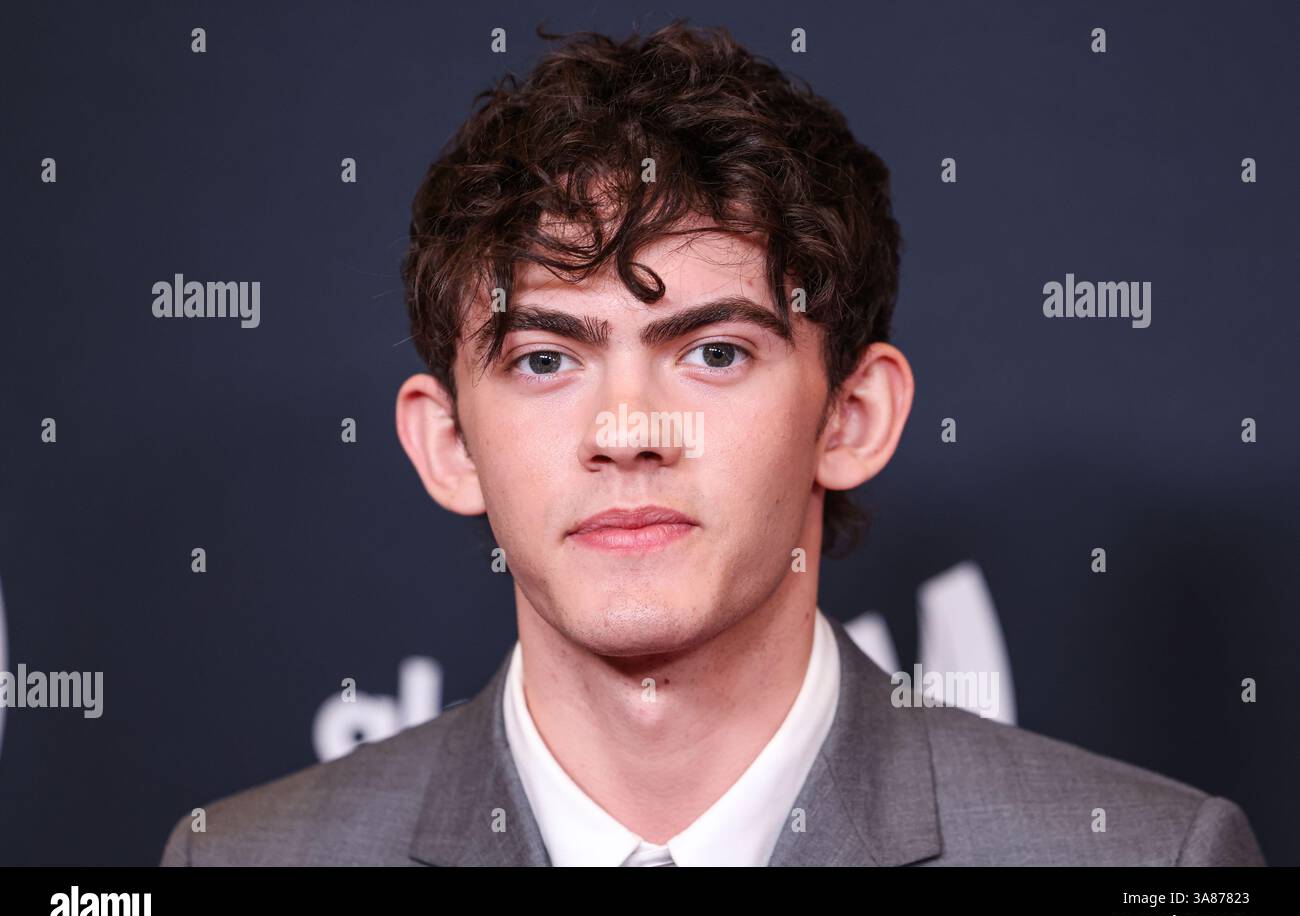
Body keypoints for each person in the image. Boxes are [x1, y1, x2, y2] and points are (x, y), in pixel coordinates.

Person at [160, 21, 1265, 867]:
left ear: (852, 416)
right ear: (446, 442)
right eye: (545, 358)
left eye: (715, 352)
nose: (628, 432)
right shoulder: (242, 859)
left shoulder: (1141, 861)